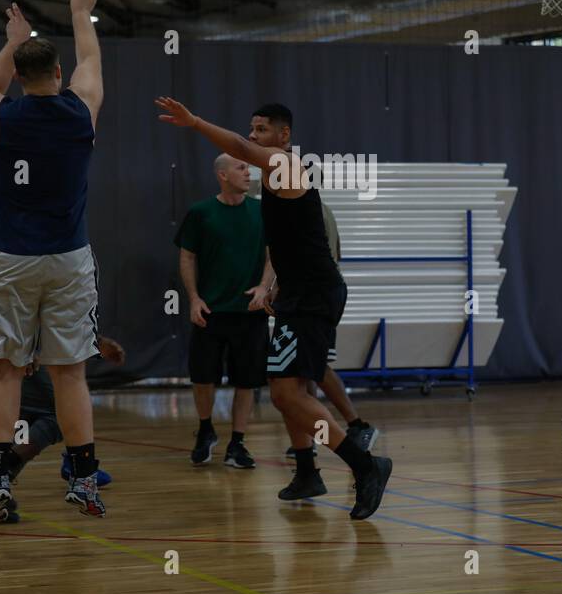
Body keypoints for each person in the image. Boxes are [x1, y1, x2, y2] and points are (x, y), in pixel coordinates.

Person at [156, 97, 393, 520]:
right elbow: (294, 243)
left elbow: (239, 149)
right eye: (251, 129)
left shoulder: (285, 166)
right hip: (300, 293)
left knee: (286, 392)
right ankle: (306, 470)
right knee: (291, 394)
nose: (252, 137)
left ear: (284, 136)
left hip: (314, 296)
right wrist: (273, 285)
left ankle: (365, 464)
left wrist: (194, 122)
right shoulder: (273, 179)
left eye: (261, 129)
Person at [0, 0, 108, 523]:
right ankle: (83, 478)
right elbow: (91, 63)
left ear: (22, 76)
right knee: (69, 371)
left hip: (12, 260)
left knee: (4, 370)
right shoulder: (81, 113)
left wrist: (11, 43)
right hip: (69, 258)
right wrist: (80, 11)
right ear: (57, 72)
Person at [0, 210, 115, 500]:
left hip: (29, 330)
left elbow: (65, 305)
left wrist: (94, 339)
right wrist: (17, 334)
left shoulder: (62, 223)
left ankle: (46, 466)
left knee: (56, 399)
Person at [0, 334, 124, 523]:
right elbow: (44, 309)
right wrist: (99, 341)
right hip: (18, 352)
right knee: (65, 413)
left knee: (24, 419)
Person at [177, 154, 274, 469]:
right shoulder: (201, 213)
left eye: (248, 167)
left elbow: (273, 256)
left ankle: (237, 443)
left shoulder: (262, 211)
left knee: (247, 380)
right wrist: (193, 298)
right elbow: (187, 256)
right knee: (203, 376)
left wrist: (263, 287)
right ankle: (205, 430)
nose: (248, 173)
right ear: (222, 175)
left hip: (250, 312)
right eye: (241, 168)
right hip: (211, 310)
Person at [284, 198, 378, 458]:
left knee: (314, 367)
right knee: (301, 372)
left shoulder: (307, 210)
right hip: (311, 295)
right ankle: (311, 437)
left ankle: (357, 426)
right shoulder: (317, 208)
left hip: (313, 297)